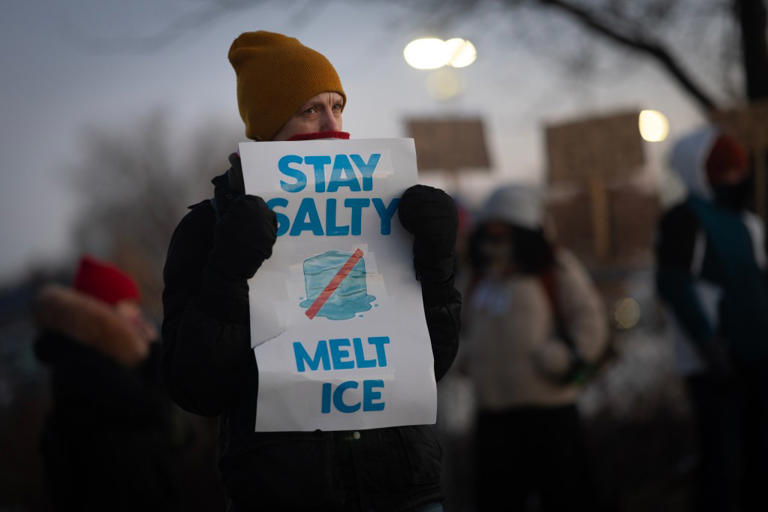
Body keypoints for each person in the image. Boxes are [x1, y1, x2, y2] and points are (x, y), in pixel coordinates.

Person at [161, 31, 461, 512]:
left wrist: (438, 265)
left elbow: (434, 364)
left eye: (337, 106)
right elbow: (194, 388)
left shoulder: (385, 211)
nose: (332, 124)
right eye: (310, 110)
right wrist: (228, 270)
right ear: (269, 123)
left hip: (404, 489)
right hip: (283, 493)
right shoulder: (208, 228)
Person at [463, 184, 607, 511]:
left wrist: (566, 355)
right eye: (490, 231)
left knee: (566, 496)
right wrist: (463, 355)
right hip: (493, 413)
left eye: (504, 231)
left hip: (550, 412)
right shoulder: (477, 276)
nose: (494, 240)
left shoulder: (555, 268)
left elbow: (590, 318)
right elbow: (456, 323)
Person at [655, 126, 768, 511]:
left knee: (756, 458)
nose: (735, 178)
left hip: (756, 354)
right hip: (716, 362)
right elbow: (674, 283)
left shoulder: (746, 221)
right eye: (724, 170)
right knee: (723, 462)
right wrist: (706, 341)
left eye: (737, 168)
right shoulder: (684, 219)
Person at [33, 255, 181, 511]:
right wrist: (155, 356)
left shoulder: (96, 358)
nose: (137, 314)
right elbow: (152, 412)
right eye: (128, 304)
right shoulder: (84, 366)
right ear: (104, 312)